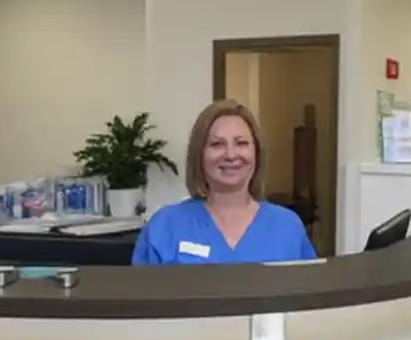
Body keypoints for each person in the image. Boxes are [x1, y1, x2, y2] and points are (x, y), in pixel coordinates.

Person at [131, 99, 317, 265]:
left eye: (241, 143)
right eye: (216, 144)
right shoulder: (164, 226)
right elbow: (141, 299)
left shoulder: (288, 227)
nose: (230, 155)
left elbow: (310, 298)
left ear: (257, 153)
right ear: (199, 155)